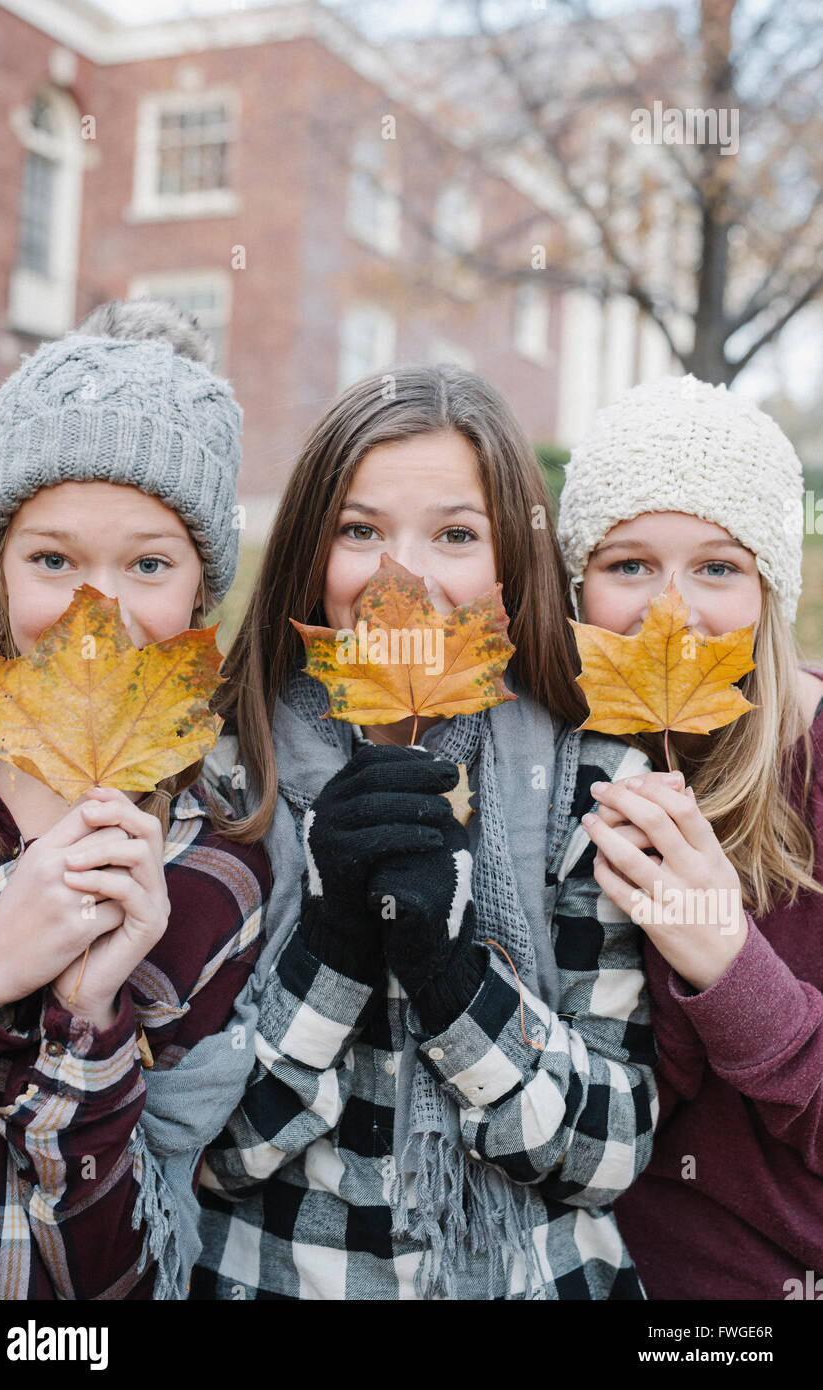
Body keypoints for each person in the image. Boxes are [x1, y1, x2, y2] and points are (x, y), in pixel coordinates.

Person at [184, 364, 658, 1301]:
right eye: (360, 531)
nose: (405, 576)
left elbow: (608, 1155)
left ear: (507, 564)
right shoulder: (226, 771)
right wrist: (330, 948)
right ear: (310, 557)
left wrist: (452, 979)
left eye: (454, 534)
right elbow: (201, 1154)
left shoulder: (595, 780)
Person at [0, 299, 270, 1299]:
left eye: (147, 562)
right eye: (53, 558)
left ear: (198, 592)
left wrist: (90, 1015)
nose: (100, 608)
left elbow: (127, 1264)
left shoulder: (222, 863)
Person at [557, 373, 823, 1300]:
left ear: (770, 591)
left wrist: (729, 964)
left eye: (718, 567)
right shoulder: (554, 771)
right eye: (628, 565)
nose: (672, 612)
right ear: (578, 592)